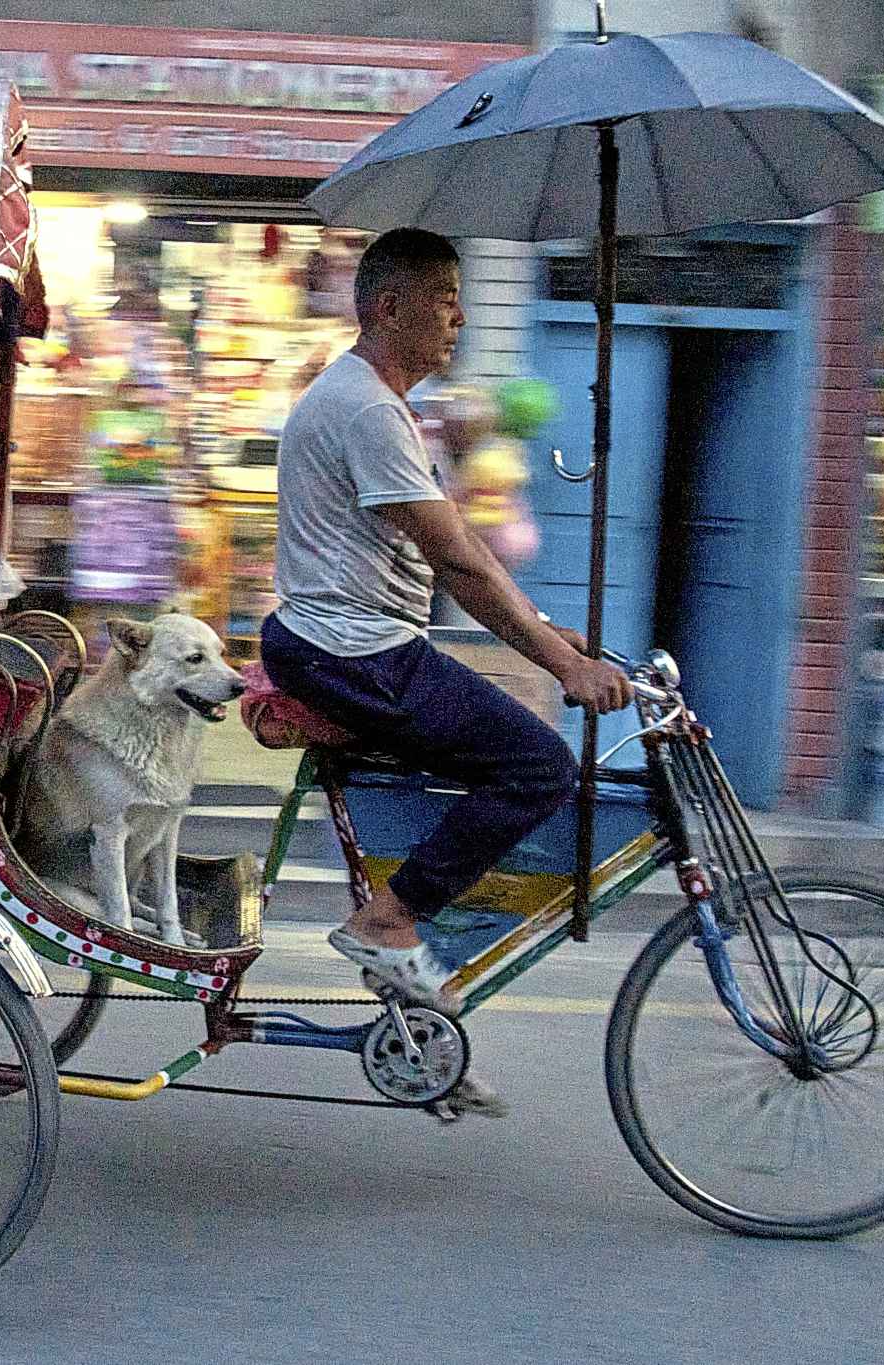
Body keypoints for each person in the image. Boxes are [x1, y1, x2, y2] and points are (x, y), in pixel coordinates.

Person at [259, 228, 633, 1012]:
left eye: (460, 301)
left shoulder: (378, 404)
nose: (459, 318)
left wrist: (542, 630)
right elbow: (457, 558)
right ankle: (390, 919)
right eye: (444, 300)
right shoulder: (367, 409)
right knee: (539, 765)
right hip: (351, 652)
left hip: (347, 645)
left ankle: (414, 956)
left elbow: (456, 549)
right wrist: (564, 665)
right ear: (390, 308)